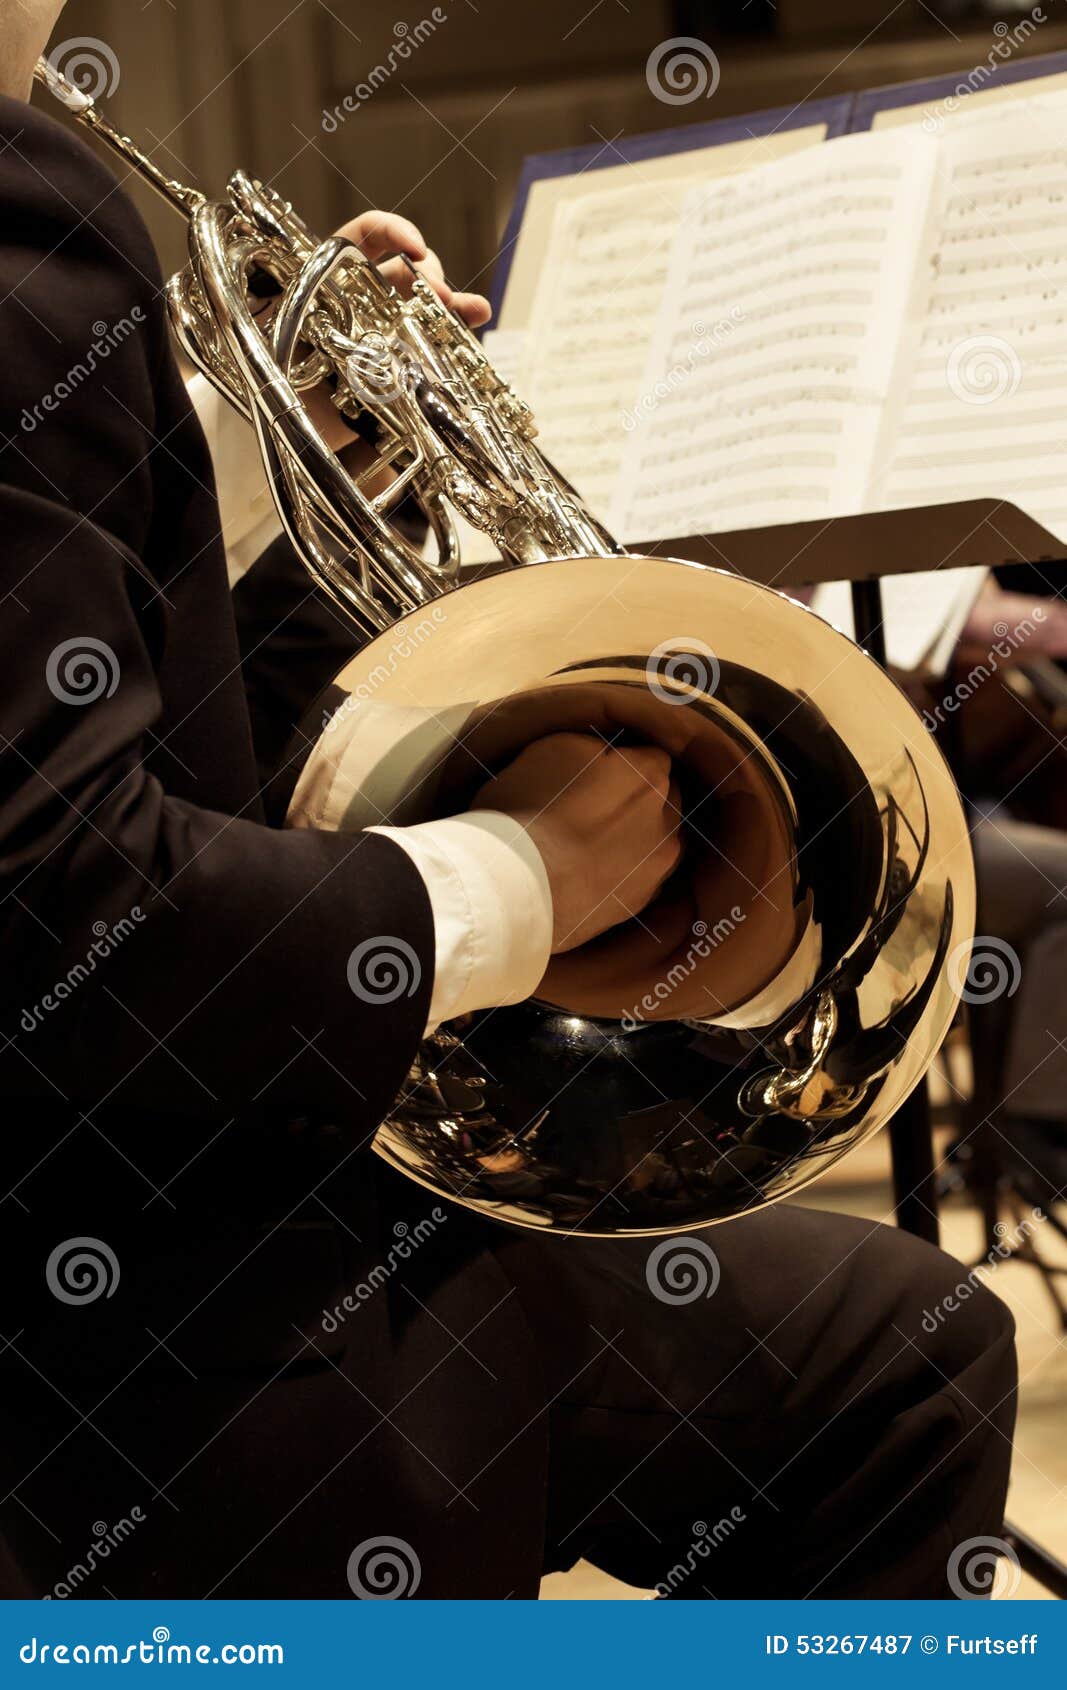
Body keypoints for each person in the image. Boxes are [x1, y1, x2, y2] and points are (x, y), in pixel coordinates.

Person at [0, 1, 1016, 1600]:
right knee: (909, 1354)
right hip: (136, 1320)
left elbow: (128, 721)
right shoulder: (20, 205)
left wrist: (278, 468)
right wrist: (528, 875)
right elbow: (71, 903)